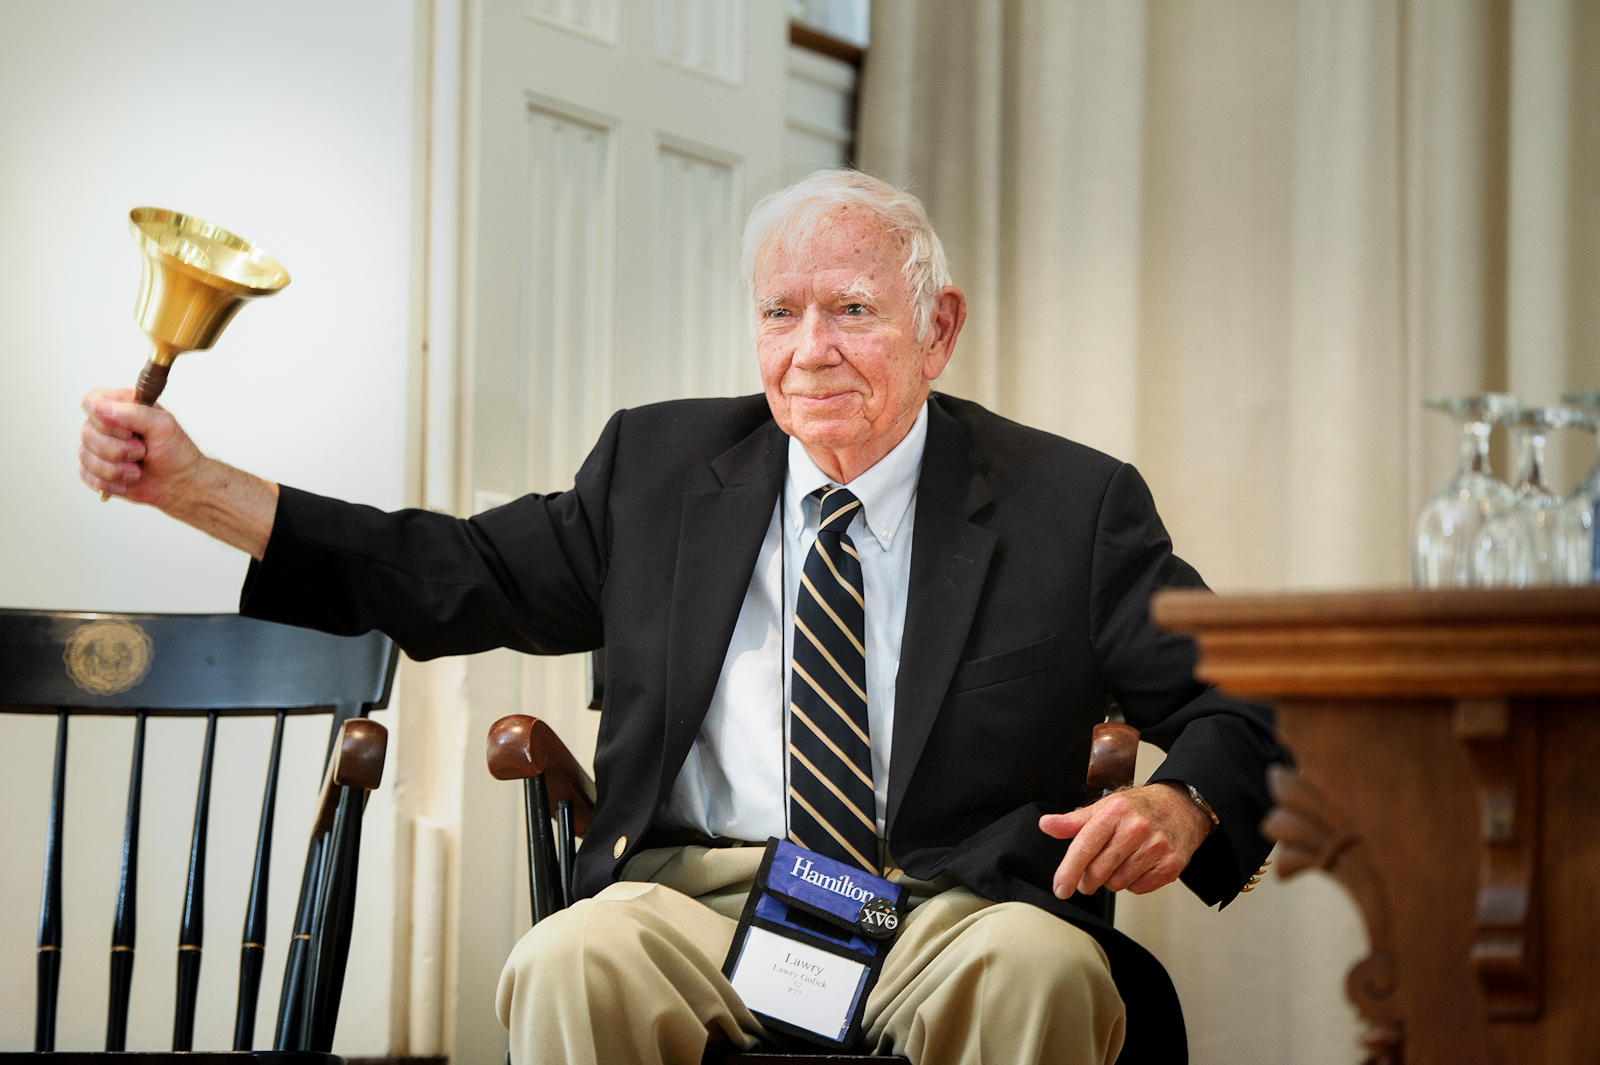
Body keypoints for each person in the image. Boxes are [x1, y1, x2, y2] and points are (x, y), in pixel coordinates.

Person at [79, 169, 1282, 1065]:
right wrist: (197, 486)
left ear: (938, 329)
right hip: (697, 898)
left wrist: (1183, 799)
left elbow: (1238, 695)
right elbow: (451, 571)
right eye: (778, 313)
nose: (809, 352)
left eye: (851, 311)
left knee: (1042, 970)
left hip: (946, 908)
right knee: (569, 955)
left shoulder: (1069, 505)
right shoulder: (656, 468)